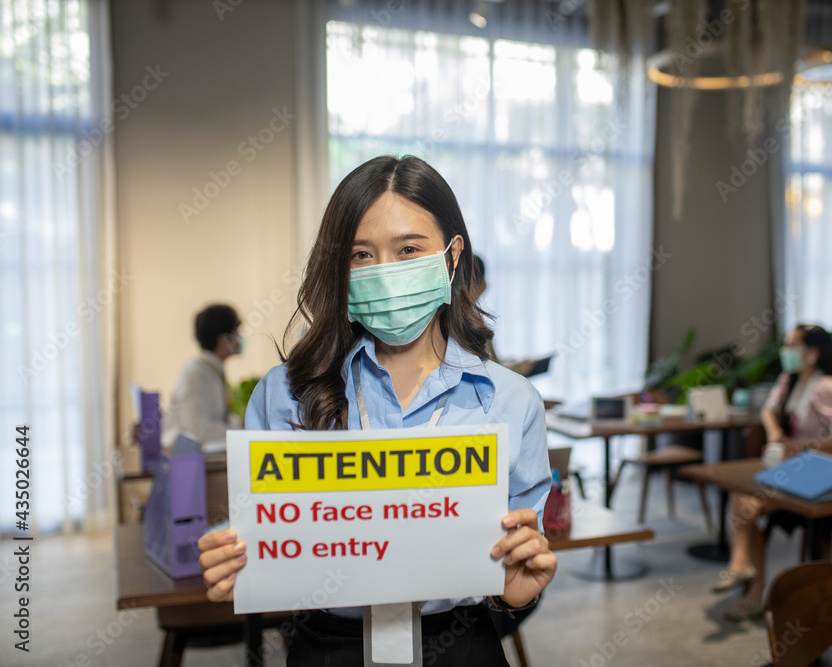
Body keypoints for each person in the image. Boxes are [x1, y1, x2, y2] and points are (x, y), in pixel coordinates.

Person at [197, 155, 557, 666]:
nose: (385, 273)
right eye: (361, 255)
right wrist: (229, 555)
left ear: (452, 256)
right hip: (325, 647)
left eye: (409, 249)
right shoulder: (285, 393)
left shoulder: (511, 399)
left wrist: (515, 590)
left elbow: (521, 545)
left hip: (460, 644)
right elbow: (258, 526)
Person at [710, 324, 832, 621]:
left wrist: (798, 446)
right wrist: (777, 433)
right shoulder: (790, 381)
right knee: (745, 497)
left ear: (813, 353)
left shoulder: (829, 386)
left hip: (825, 474)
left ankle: (747, 577)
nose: (786, 352)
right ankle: (748, 579)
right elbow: (768, 410)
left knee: (747, 499)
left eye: (793, 345)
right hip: (797, 471)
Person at [160, 304, 243, 447]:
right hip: (183, 459)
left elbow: (218, 420)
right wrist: (241, 430)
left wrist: (240, 424)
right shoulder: (196, 373)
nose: (240, 338)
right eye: (236, 332)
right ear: (223, 340)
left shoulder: (212, 371)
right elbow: (196, 429)